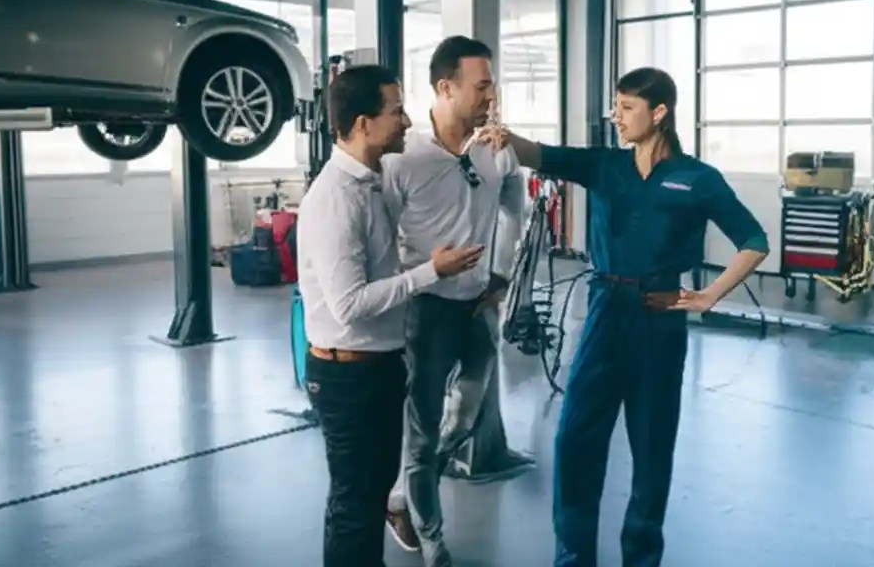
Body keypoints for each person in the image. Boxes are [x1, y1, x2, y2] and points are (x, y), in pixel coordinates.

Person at [476, 66, 771, 567]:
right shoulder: (605, 166)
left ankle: (641, 557)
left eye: (628, 107)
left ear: (660, 113)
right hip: (604, 312)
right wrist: (505, 137)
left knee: (652, 449)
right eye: (616, 105)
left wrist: (707, 296)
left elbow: (754, 240)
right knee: (574, 439)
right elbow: (540, 154)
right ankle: (573, 558)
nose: (618, 115)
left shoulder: (697, 179)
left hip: (659, 319)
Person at [296, 64, 486, 567]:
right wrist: (432, 272)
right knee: (355, 506)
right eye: (395, 110)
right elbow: (350, 305)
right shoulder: (336, 198)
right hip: (347, 375)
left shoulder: (373, 182)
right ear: (362, 123)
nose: (405, 121)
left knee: (369, 494)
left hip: (375, 367)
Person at [379, 36, 527, 567]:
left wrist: (501, 275)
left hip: (479, 307)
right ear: (446, 87)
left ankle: (402, 495)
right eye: (481, 84)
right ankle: (432, 542)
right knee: (420, 434)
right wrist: (411, 280)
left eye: (492, 83)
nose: (492, 94)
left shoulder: (496, 147)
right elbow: (379, 235)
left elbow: (516, 206)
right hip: (427, 310)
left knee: (462, 421)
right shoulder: (404, 159)